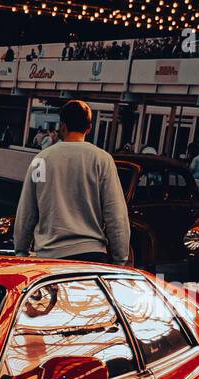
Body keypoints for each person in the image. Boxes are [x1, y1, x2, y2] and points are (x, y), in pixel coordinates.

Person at [13, 99, 130, 264]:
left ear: (62, 126)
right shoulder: (102, 160)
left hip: (49, 256)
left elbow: (27, 212)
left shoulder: (41, 160)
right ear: (88, 128)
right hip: (91, 256)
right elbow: (116, 214)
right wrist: (120, 259)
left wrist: (21, 252)